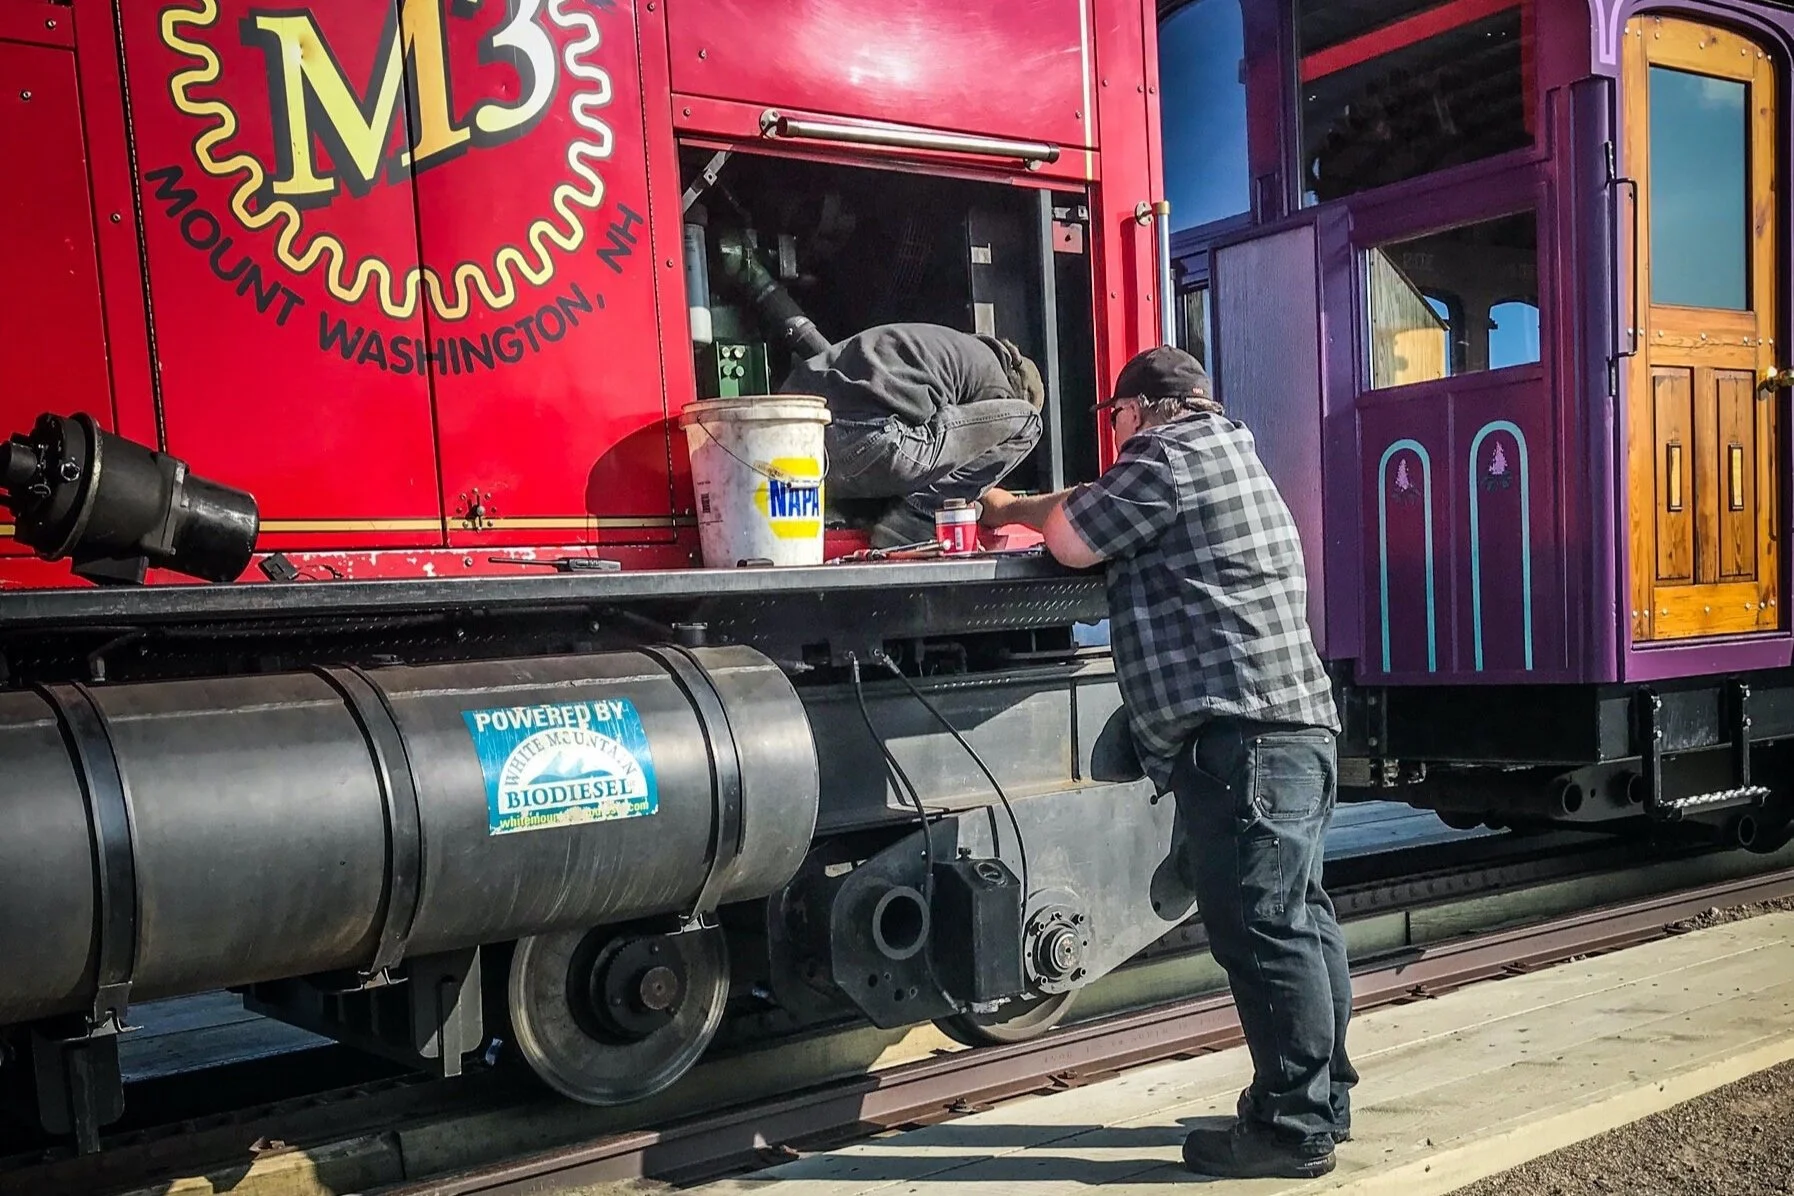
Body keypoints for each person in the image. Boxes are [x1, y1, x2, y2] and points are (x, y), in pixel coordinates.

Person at [978, 345, 1353, 1180]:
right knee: (1302, 921)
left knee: (1263, 933)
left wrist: (1008, 504)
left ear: (1143, 409)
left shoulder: (1170, 454)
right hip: (1293, 733)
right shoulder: (1233, 452)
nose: (1116, 436)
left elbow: (1075, 538)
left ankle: (1291, 1132)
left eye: (1114, 419)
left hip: (1245, 742)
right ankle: (1322, 1104)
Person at [781, 323, 1044, 547]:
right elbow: (962, 456)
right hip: (865, 440)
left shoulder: (950, 348)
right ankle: (918, 520)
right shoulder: (997, 383)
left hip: (793, 444)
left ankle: (878, 515)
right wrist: (962, 497)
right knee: (1028, 421)